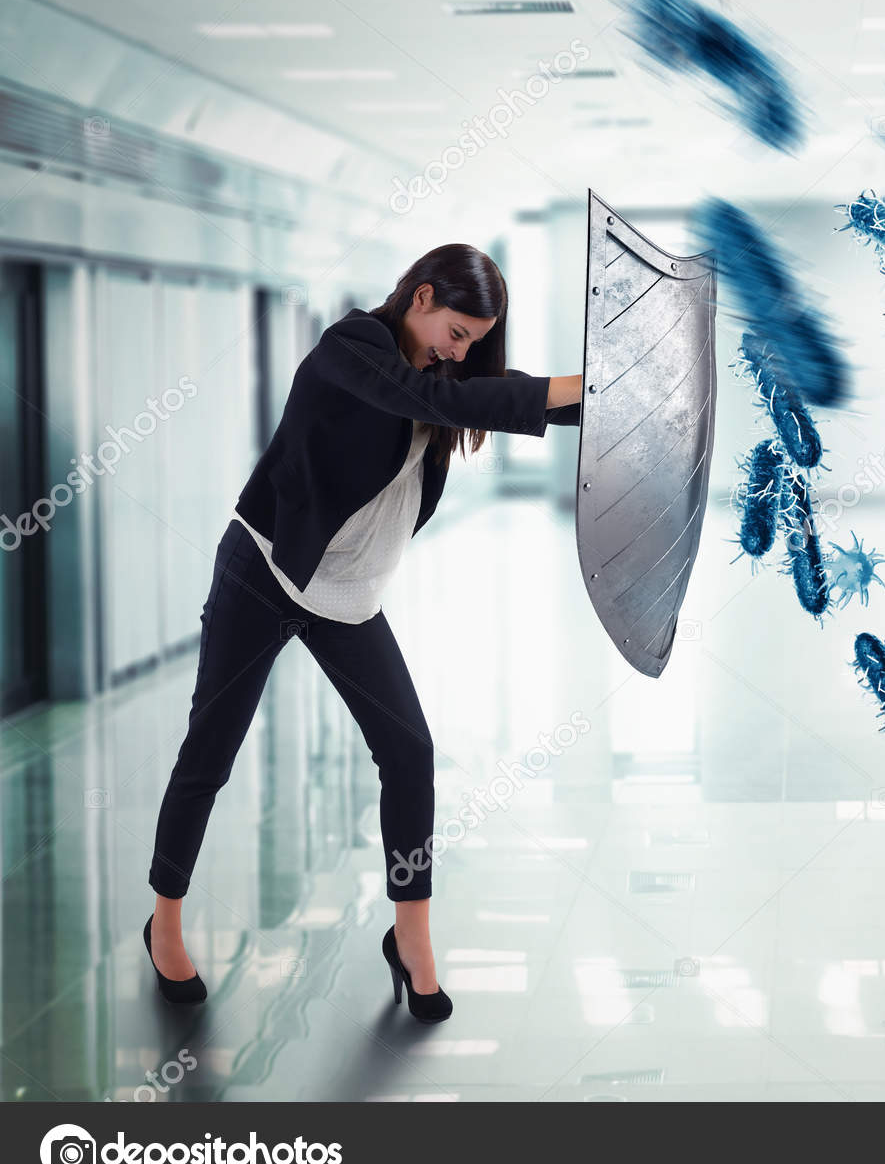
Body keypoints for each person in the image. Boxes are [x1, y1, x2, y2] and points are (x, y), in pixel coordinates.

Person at [141, 243, 580, 1023]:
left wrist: (626, 395)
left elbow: (501, 396)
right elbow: (437, 401)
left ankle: (412, 940)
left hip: (346, 594)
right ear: (419, 296)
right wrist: (558, 387)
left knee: (408, 750)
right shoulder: (352, 347)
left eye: (474, 341)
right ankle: (166, 923)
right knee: (210, 749)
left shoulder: (446, 373)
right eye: (456, 330)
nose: (461, 351)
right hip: (266, 568)